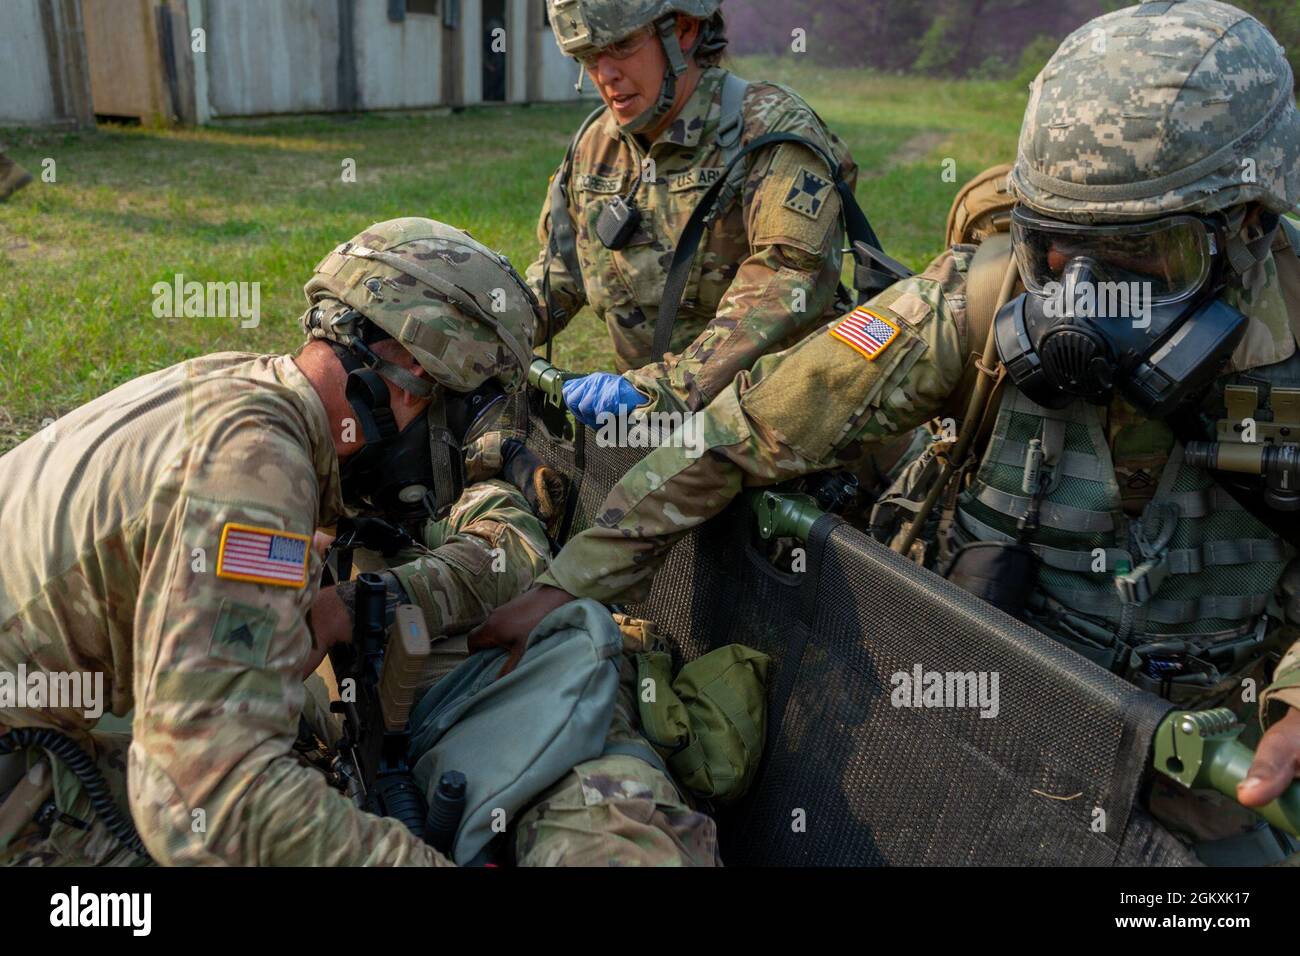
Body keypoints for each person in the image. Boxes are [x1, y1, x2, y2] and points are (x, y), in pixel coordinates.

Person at [477, 0, 1300, 858]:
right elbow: (748, 426)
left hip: (1215, 772)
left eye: (1147, 259)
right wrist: (574, 583)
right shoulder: (977, 299)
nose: (1085, 304)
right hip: (988, 725)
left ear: (1247, 227)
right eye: (1059, 250)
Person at [0, 217, 539, 866]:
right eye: (459, 417)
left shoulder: (246, 393)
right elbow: (210, 802)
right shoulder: (259, 474)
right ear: (408, 376)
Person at [530, 0, 863, 426]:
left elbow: (788, 281)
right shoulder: (595, 145)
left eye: (622, 45)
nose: (604, 73)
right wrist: (475, 329)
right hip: (653, 428)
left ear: (684, 31)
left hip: (773, 428)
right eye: (589, 56)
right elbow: (556, 277)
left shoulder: (769, 130)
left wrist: (666, 388)